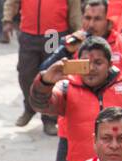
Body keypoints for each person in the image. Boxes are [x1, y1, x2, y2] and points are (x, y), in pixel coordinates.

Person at [31, 35, 122, 161]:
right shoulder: (67, 87)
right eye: (86, 63)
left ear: (110, 64)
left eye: (98, 63)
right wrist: (45, 82)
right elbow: (40, 105)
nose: (92, 68)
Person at [7, 0, 83, 135]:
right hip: (28, 33)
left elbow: (74, 9)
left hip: (53, 34)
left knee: (52, 74)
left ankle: (49, 119)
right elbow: (12, 2)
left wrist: (77, 31)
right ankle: (29, 108)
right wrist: (7, 18)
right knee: (25, 74)